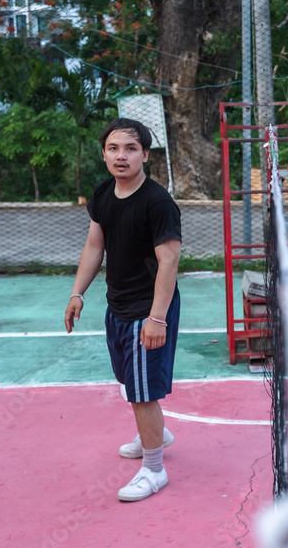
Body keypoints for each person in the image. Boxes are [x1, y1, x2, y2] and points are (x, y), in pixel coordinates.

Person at [64, 118, 182, 502]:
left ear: (145, 155)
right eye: (114, 148)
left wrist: (157, 317)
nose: (121, 156)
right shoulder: (102, 193)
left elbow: (169, 261)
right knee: (130, 382)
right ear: (104, 154)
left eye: (130, 149)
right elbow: (95, 246)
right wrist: (77, 292)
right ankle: (156, 434)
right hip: (117, 307)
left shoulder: (158, 202)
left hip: (148, 310)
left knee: (143, 393)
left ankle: (153, 470)